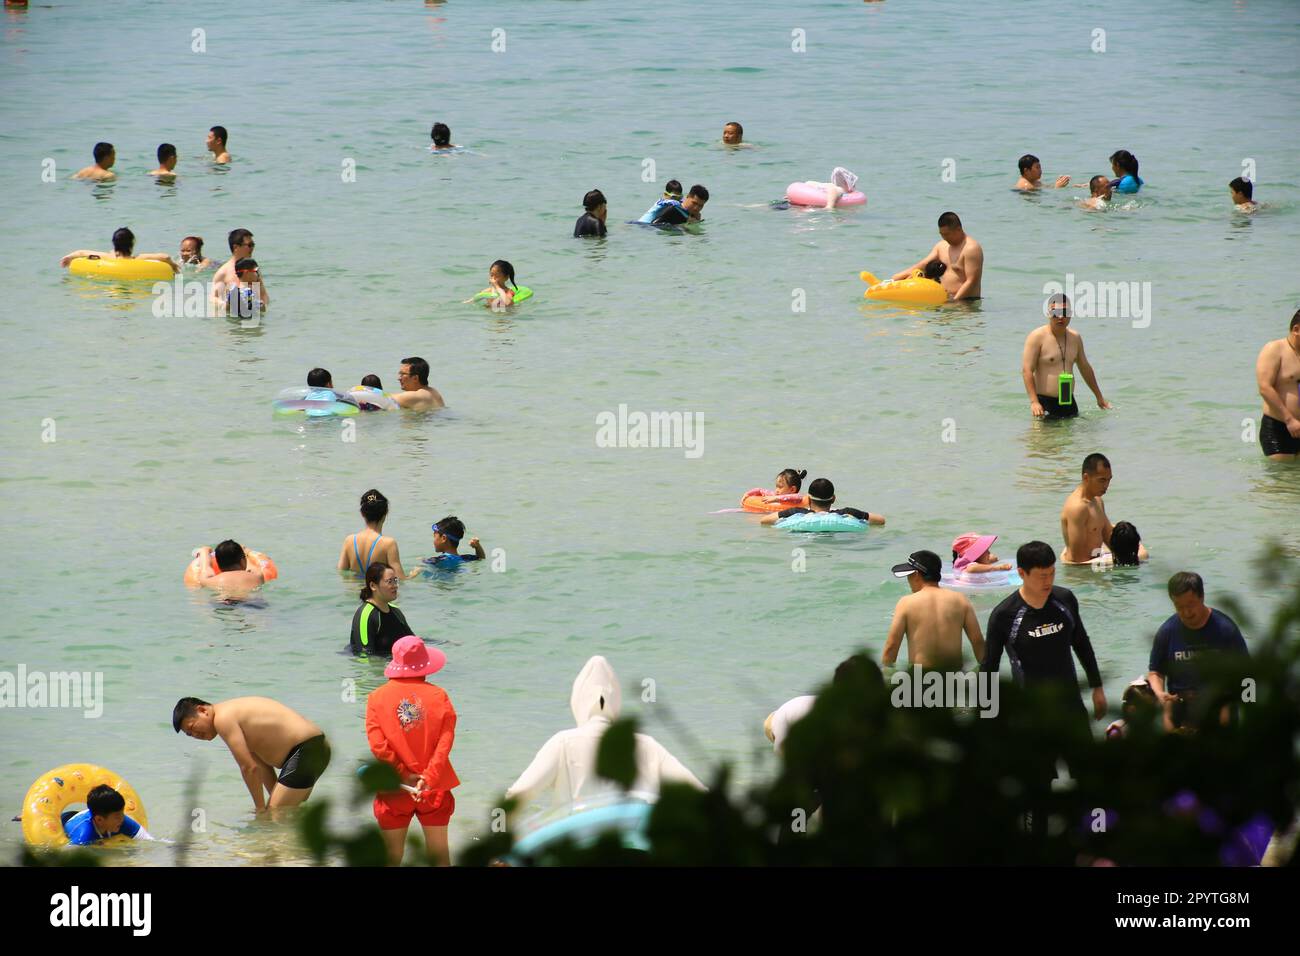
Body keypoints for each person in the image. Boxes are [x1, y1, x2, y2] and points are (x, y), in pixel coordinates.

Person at [504, 655, 705, 810]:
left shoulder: (563, 743)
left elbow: (518, 794)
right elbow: (699, 793)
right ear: (615, 702)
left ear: (578, 701)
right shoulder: (648, 745)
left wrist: (498, 845)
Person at [979, 540, 1107, 724]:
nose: (1048, 581)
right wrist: (986, 717)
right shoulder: (1004, 615)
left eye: (1052, 573)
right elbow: (989, 667)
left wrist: (1097, 687)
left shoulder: (1065, 600)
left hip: (1071, 707)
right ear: (1021, 573)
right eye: (1041, 576)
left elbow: (1082, 644)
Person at [366, 636, 459, 865]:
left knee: (391, 857)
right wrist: (429, 776)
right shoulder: (440, 696)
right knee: (439, 858)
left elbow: (378, 745)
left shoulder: (376, 698)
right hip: (433, 787)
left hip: (395, 788)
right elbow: (445, 741)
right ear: (426, 665)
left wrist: (403, 773)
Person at [173, 696, 331, 811]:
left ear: (202, 710)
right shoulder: (236, 720)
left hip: (306, 750)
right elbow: (261, 768)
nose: (195, 735)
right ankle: (298, 854)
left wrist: (261, 809)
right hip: (315, 748)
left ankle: (279, 855)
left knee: (276, 816)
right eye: (189, 734)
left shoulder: (222, 718)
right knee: (287, 813)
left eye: (193, 727)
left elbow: (248, 768)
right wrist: (269, 803)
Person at [1148, 572, 1249, 731]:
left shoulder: (1225, 630)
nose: (1186, 612)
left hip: (1220, 708)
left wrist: (1246, 707)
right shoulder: (1167, 632)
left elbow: (1247, 674)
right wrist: (1159, 693)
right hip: (1182, 708)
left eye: (1190, 604)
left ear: (1202, 597)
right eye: (1179, 607)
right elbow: (1155, 672)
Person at [883, 550, 986, 669]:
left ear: (916, 575)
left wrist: (886, 676)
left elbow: (892, 646)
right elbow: (978, 642)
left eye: (909, 575)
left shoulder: (906, 603)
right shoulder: (961, 600)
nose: (908, 580)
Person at [1022, 293, 1110, 419]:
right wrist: (1034, 402)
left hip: (1069, 402)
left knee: (1070, 439)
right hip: (1044, 404)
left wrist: (1099, 397)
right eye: (1056, 312)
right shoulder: (1037, 337)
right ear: (1048, 313)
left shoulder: (1075, 338)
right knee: (1040, 439)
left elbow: (1085, 368)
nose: (1060, 317)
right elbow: (1027, 370)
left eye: (1065, 312)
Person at [1061, 452, 1139, 565]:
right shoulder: (1077, 508)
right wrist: (1109, 563)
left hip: (1095, 563)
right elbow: (1078, 558)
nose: (1106, 485)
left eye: (1109, 480)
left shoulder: (1097, 501)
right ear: (1086, 477)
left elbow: (1108, 536)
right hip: (1080, 574)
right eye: (1102, 480)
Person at [892, 211, 982, 300]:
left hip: (965, 303)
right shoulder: (941, 246)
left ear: (958, 229)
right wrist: (895, 279)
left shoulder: (971, 248)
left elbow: (971, 281)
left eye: (947, 234)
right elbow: (922, 265)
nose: (944, 238)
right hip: (944, 299)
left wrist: (955, 302)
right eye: (942, 234)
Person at [1254, 309, 1300, 461]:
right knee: (1281, 479)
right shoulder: (1275, 349)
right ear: (1296, 329)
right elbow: (1264, 387)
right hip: (1279, 426)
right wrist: (1289, 420)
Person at [338, 488, 408, 577]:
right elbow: (399, 579)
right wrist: (413, 575)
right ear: (386, 513)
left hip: (354, 589)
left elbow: (341, 572)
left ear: (362, 513)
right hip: (377, 590)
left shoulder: (349, 540)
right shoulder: (388, 544)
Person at [760, 477, 885, 526]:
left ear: (808, 499)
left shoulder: (796, 512)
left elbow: (765, 521)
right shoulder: (846, 512)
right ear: (833, 499)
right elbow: (880, 520)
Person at [350, 564, 413, 656]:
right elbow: (365, 655)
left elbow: (412, 640)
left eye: (395, 580)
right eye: (389, 581)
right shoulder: (365, 615)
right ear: (373, 586)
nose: (395, 586)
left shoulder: (396, 611)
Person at [61, 784, 154, 845]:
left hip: (94, 816)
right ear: (99, 820)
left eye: (122, 813)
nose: (122, 819)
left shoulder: (121, 821)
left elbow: (148, 841)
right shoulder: (83, 835)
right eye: (117, 816)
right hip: (66, 820)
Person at [60, 227, 179, 273]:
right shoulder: (138, 258)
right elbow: (165, 257)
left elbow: (82, 252)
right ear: (132, 243)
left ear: (114, 244)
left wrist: (68, 257)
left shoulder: (108, 257)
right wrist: (173, 266)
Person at [192, 540, 268, 599]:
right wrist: (245, 552)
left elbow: (206, 566)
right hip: (253, 603)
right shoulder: (257, 575)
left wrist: (205, 550)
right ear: (242, 561)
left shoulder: (211, 579)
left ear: (217, 564)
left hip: (223, 603)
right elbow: (250, 565)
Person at [210, 229, 263, 310]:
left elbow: (264, 295)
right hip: (233, 318)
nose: (252, 248)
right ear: (236, 247)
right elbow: (213, 298)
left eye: (253, 245)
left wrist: (262, 307)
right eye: (249, 245)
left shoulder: (253, 268)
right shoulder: (223, 272)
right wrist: (226, 305)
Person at [420, 516, 486, 570]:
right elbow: (481, 558)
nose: (433, 540)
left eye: (434, 536)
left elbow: (420, 568)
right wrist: (477, 547)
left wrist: (421, 560)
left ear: (443, 538)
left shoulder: (436, 561)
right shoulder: (465, 558)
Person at [743, 467, 808, 507]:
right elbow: (760, 490)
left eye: (780, 487)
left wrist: (776, 498)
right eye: (776, 486)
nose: (777, 490)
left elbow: (799, 497)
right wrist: (747, 494)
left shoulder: (797, 499)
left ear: (792, 489)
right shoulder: (774, 494)